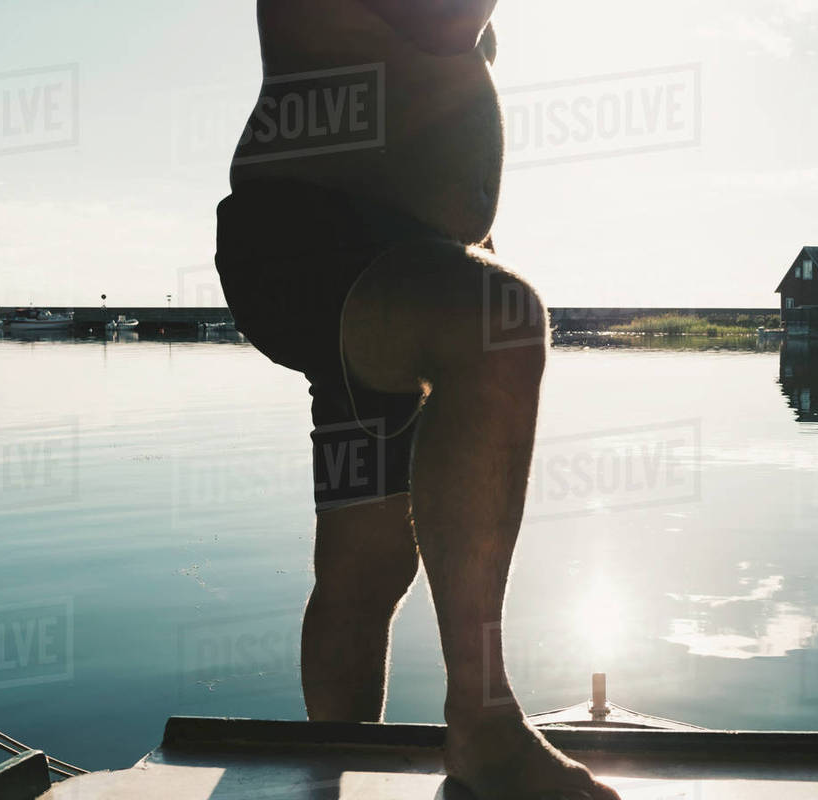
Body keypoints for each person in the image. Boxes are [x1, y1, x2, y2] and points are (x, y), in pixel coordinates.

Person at [214, 2, 620, 798]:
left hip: (397, 266)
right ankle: (484, 726)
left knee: (366, 567)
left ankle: (328, 767)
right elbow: (441, 22)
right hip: (312, 240)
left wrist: (471, 252)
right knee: (500, 323)